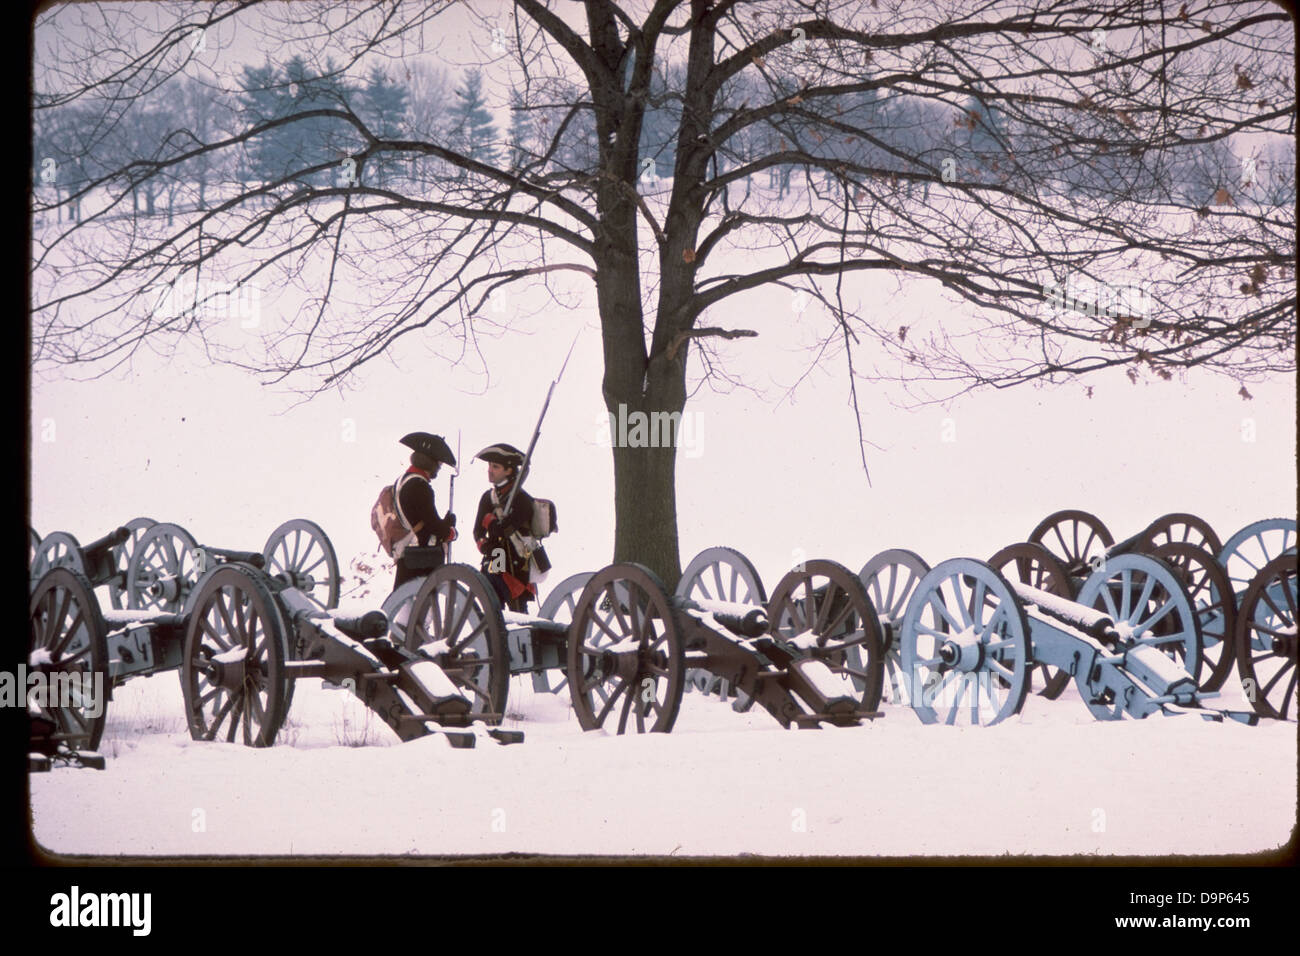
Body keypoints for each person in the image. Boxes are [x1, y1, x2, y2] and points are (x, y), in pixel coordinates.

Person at [472, 442, 537, 613]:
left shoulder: (522, 500)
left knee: (518, 615)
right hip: (495, 556)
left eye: (495, 466)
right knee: (492, 614)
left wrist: (490, 522)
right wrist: (484, 545)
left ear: (509, 470)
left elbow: (503, 530)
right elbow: (477, 531)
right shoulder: (488, 497)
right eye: (489, 466)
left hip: (516, 561)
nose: (490, 470)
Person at [392, 432, 458, 591]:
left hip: (407, 553)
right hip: (421, 558)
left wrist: (444, 522)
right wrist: (450, 531)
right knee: (422, 608)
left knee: (404, 606)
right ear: (431, 464)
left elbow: (421, 519)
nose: (439, 468)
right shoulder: (420, 486)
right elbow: (432, 526)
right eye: (439, 464)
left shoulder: (401, 480)